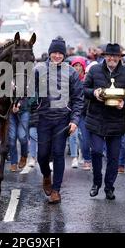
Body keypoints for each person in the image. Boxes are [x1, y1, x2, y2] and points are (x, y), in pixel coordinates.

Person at [35, 36, 84, 204]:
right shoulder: (39, 70)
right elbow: (28, 91)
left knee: (58, 154)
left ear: (64, 55)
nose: (57, 56)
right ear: (50, 53)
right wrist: (19, 101)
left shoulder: (71, 73)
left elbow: (78, 98)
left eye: (60, 53)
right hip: (43, 119)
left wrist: (75, 120)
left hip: (62, 120)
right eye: (54, 52)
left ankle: (56, 190)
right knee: (42, 155)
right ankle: (46, 175)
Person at [84, 44, 125, 200]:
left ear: (120, 57)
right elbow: (84, 88)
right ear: (105, 56)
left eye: (115, 56)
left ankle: (109, 187)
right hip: (96, 119)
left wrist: (124, 104)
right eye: (109, 56)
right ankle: (96, 182)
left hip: (116, 121)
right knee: (97, 152)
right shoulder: (94, 70)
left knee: (113, 157)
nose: (111, 59)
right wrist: (94, 92)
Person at [8, 99, 31, 172]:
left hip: (24, 111)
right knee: (12, 137)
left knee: (22, 136)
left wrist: (21, 104)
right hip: (11, 112)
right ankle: (13, 162)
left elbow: (34, 95)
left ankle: (24, 156)